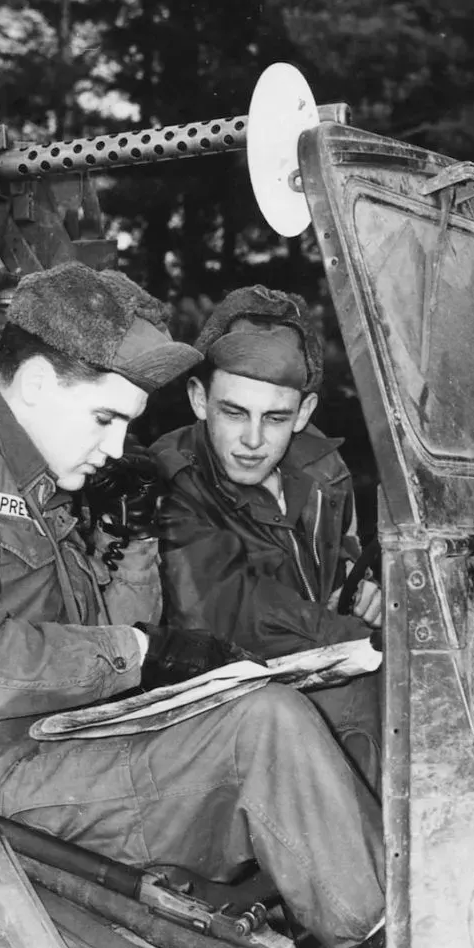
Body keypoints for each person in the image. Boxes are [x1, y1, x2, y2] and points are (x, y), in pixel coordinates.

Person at [0, 262, 387, 948]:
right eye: (105, 419)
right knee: (264, 726)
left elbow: (101, 636)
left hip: (48, 744)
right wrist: (137, 650)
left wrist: (137, 541)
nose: (117, 447)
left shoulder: (36, 483)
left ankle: (366, 935)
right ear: (34, 385)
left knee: (286, 707)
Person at [152, 286, 383, 784]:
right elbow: (227, 615)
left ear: (303, 413)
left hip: (319, 681)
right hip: (226, 719)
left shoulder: (324, 467)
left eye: (276, 418)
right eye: (234, 412)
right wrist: (364, 636)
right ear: (198, 399)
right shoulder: (170, 483)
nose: (253, 441)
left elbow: (345, 560)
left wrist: (362, 592)